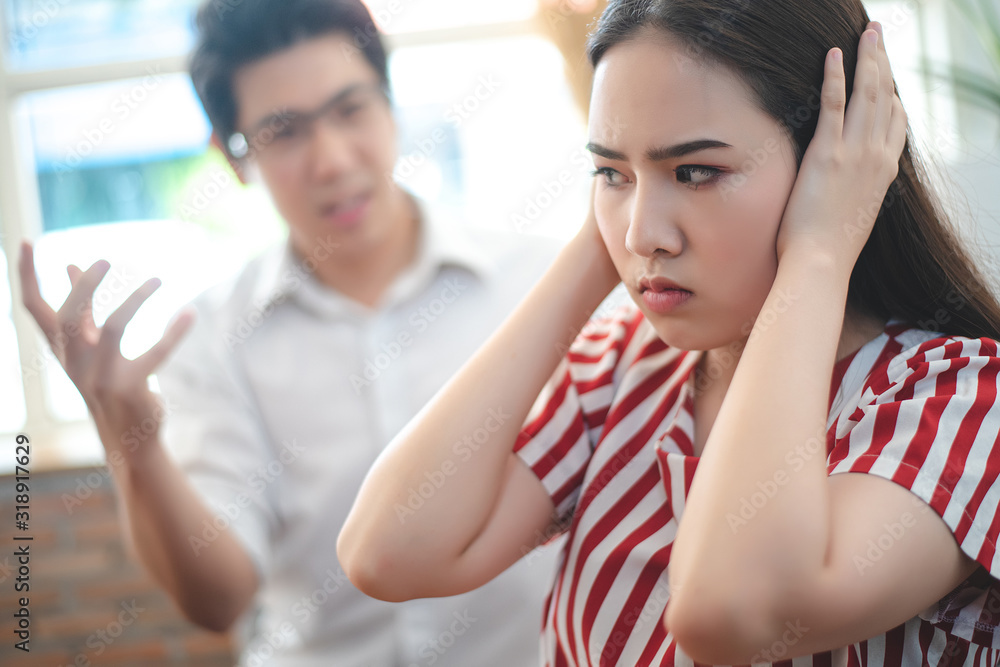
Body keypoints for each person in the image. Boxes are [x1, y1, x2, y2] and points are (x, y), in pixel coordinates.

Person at [337, 0, 1000, 664]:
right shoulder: (624, 364)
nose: (642, 231)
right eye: (609, 172)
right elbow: (388, 551)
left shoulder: (957, 400)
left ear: (838, 161)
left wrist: (821, 252)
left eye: (695, 171)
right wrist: (595, 254)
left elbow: (729, 611)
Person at [18, 0, 563, 664]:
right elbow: (217, 597)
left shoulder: (542, 286)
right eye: (285, 131)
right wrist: (128, 431)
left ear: (390, 103)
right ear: (234, 157)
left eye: (351, 109)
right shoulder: (210, 338)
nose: (332, 159)